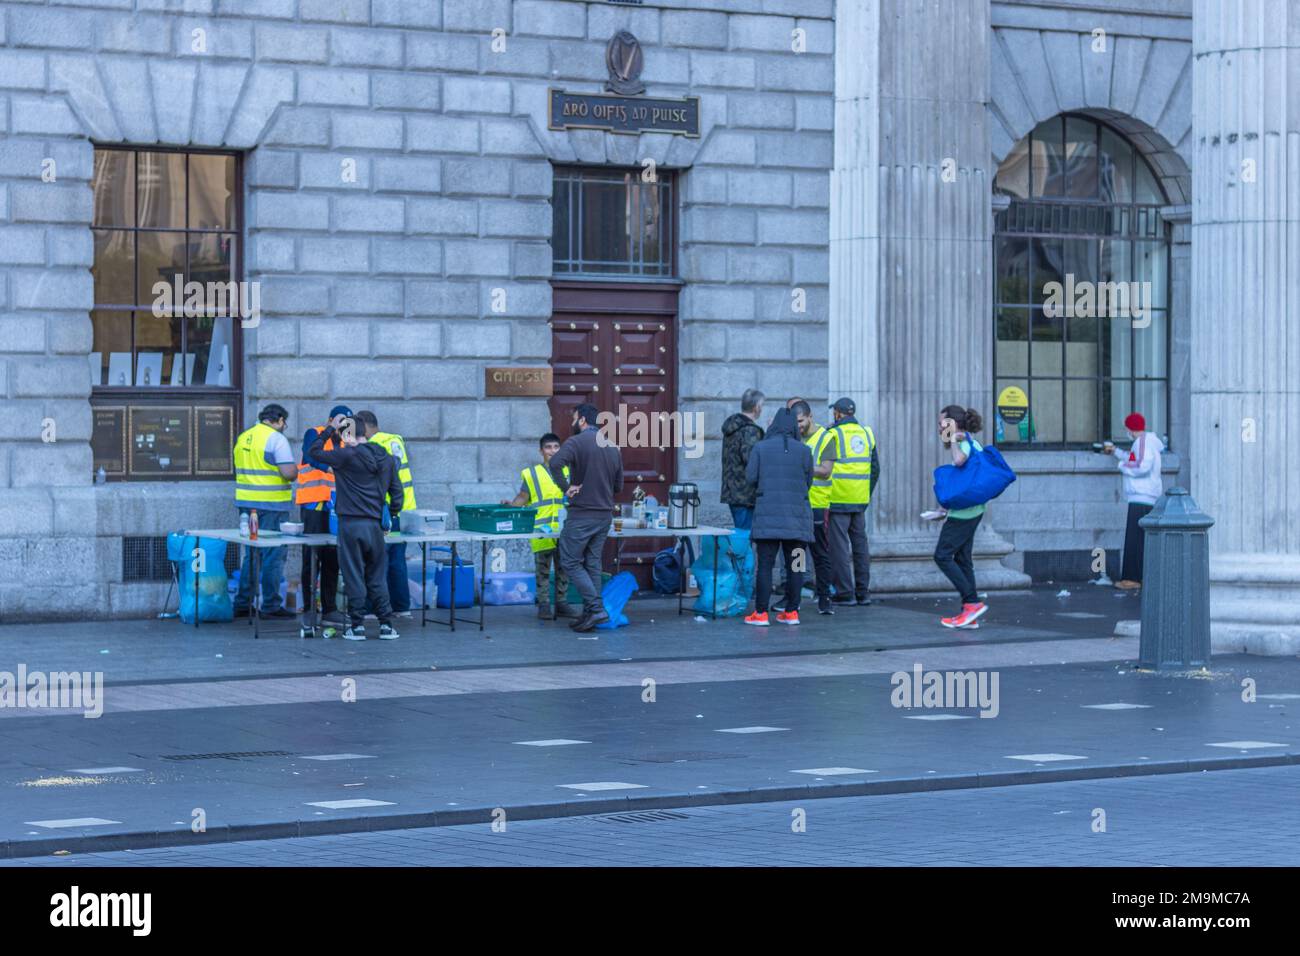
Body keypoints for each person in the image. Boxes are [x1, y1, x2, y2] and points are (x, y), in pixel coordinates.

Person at [308, 413, 404, 641]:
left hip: (350, 525)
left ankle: (357, 626)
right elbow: (397, 494)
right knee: (377, 576)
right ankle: (386, 625)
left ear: (347, 434)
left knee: (354, 576)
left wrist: (330, 429)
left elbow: (313, 452)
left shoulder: (345, 456)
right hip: (375, 527)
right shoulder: (387, 458)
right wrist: (390, 515)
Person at [548, 403, 623, 633]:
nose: (572, 423)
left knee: (569, 561)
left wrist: (566, 487)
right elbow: (618, 486)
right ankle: (591, 615)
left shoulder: (576, 442)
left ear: (581, 420)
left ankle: (595, 607)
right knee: (592, 562)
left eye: (574, 419)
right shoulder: (612, 446)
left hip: (582, 515)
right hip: (604, 516)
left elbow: (554, 463)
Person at [744, 408, 813, 627]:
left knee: (764, 565)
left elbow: (751, 477)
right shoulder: (805, 450)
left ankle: (761, 614)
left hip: (767, 520)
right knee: (797, 565)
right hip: (799, 521)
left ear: (773, 424)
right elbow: (808, 481)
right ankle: (792, 612)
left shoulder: (760, 448)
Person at [232, 403, 298, 618]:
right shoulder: (276, 439)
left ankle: (243, 603)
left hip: (246, 503)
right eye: (284, 423)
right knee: (274, 554)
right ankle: (270, 605)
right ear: (278, 420)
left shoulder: (244, 437)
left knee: (252, 553)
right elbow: (288, 472)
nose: (284, 426)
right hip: (271, 505)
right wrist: (297, 470)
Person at [503, 433, 575, 621]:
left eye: (556, 447)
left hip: (564, 527)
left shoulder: (569, 471)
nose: (552, 451)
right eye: (548, 447)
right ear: (541, 451)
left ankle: (562, 603)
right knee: (542, 569)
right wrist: (511, 505)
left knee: (564, 567)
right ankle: (543, 605)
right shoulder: (532, 473)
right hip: (541, 529)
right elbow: (523, 497)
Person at [931, 406, 989, 629]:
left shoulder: (965, 442)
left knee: (942, 556)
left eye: (942, 424)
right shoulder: (972, 441)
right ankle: (970, 611)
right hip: (971, 510)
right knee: (963, 559)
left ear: (952, 424)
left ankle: (972, 603)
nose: (939, 428)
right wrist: (944, 510)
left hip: (965, 514)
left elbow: (958, 461)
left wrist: (954, 438)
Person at [356, 410, 417, 619]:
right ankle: (401, 607)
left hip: (384, 512)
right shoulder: (395, 440)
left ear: (363, 426)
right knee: (396, 560)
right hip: (404, 510)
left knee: (375, 561)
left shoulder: (375, 445)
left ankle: (372, 608)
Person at [297, 405, 351, 634]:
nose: (344, 425)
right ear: (330, 420)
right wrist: (330, 430)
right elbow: (310, 455)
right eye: (340, 420)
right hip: (313, 505)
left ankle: (329, 609)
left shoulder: (347, 442)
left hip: (335, 508)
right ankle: (310, 608)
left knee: (332, 559)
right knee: (311, 558)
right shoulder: (315, 432)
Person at [826, 397, 879, 607]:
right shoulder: (867, 433)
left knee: (839, 547)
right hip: (859, 500)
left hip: (838, 499)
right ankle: (863, 593)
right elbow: (875, 469)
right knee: (860, 547)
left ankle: (845, 593)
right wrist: (865, 493)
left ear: (838, 414)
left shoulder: (833, 434)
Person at [792, 400, 839, 615]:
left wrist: (802, 466)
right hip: (798, 504)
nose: (798, 426)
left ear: (810, 416)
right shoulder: (793, 436)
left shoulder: (826, 437)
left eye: (801, 421)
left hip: (818, 504)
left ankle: (824, 599)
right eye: (795, 422)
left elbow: (826, 470)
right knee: (797, 553)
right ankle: (794, 597)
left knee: (820, 554)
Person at [1109, 412, 1164, 590]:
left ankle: (1131, 579)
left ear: (1130, 428)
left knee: (1134, 539)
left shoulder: (1142, 442)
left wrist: (1121, 466)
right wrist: (1116, 452)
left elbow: (1141, 465)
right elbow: (1134, 459)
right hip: (1145, 496)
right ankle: (1139, 576)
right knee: (1141, 539)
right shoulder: (1146, 442)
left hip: (1141, 496)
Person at [720, 388, 765, 530]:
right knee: (745, 538)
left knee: (741, 534)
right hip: (746, 495)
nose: (761, 409)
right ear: (756, 407)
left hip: (733, 492)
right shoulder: (750, 430)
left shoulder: (732, 426)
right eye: (761, 406)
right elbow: (753, 462)